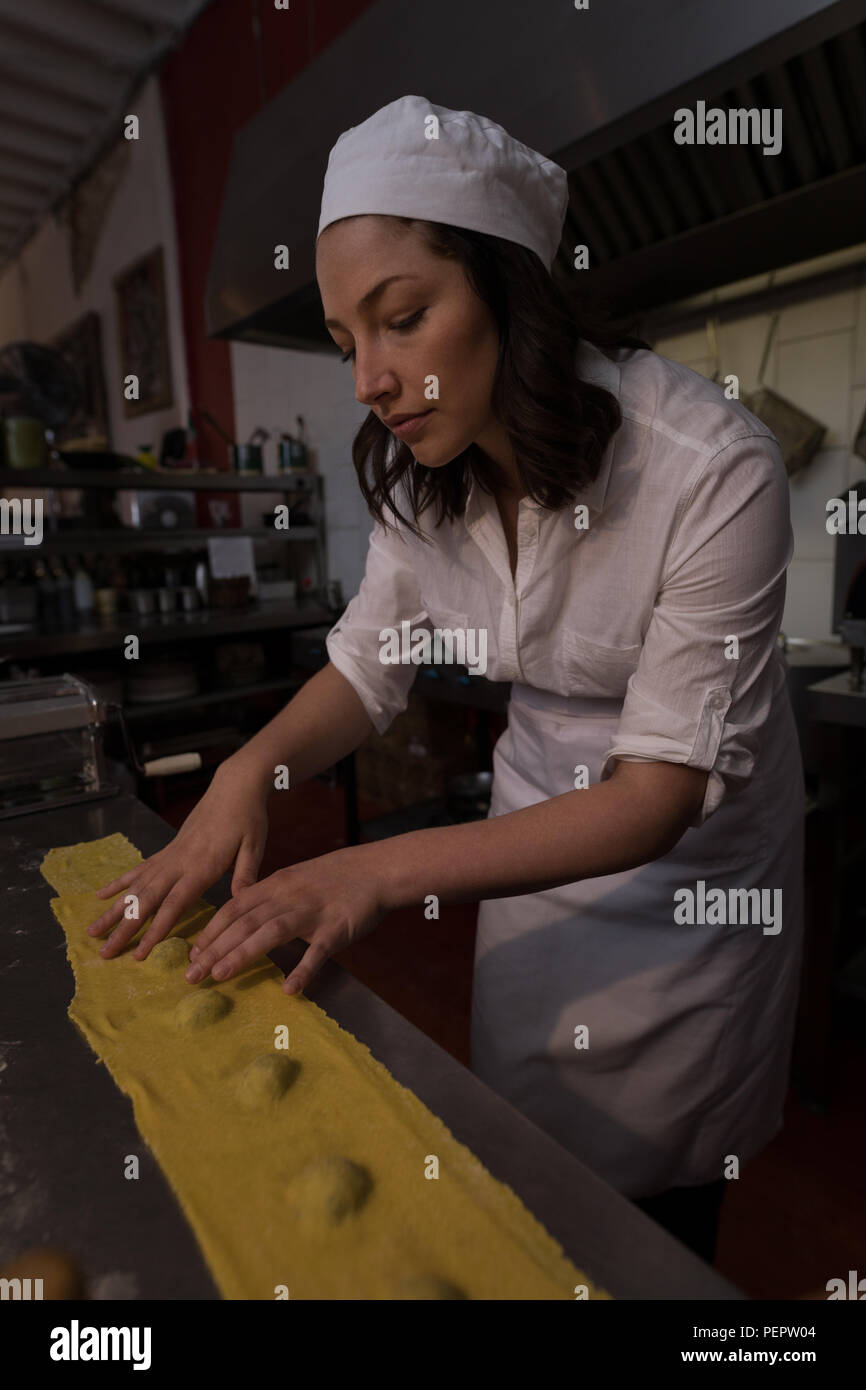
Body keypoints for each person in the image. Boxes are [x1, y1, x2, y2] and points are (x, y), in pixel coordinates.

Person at [86, 96, 805, 1267]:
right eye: (344, 342)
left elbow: (653, 794)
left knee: (656, 1214)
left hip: (687, 885)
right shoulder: (430, 477)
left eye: (403, 318)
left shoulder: (708, 469)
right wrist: (243, 771)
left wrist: (363, 873)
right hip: (530, 848)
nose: (370, 377)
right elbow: (367, 671)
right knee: (523, 1160)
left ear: (510, 293)